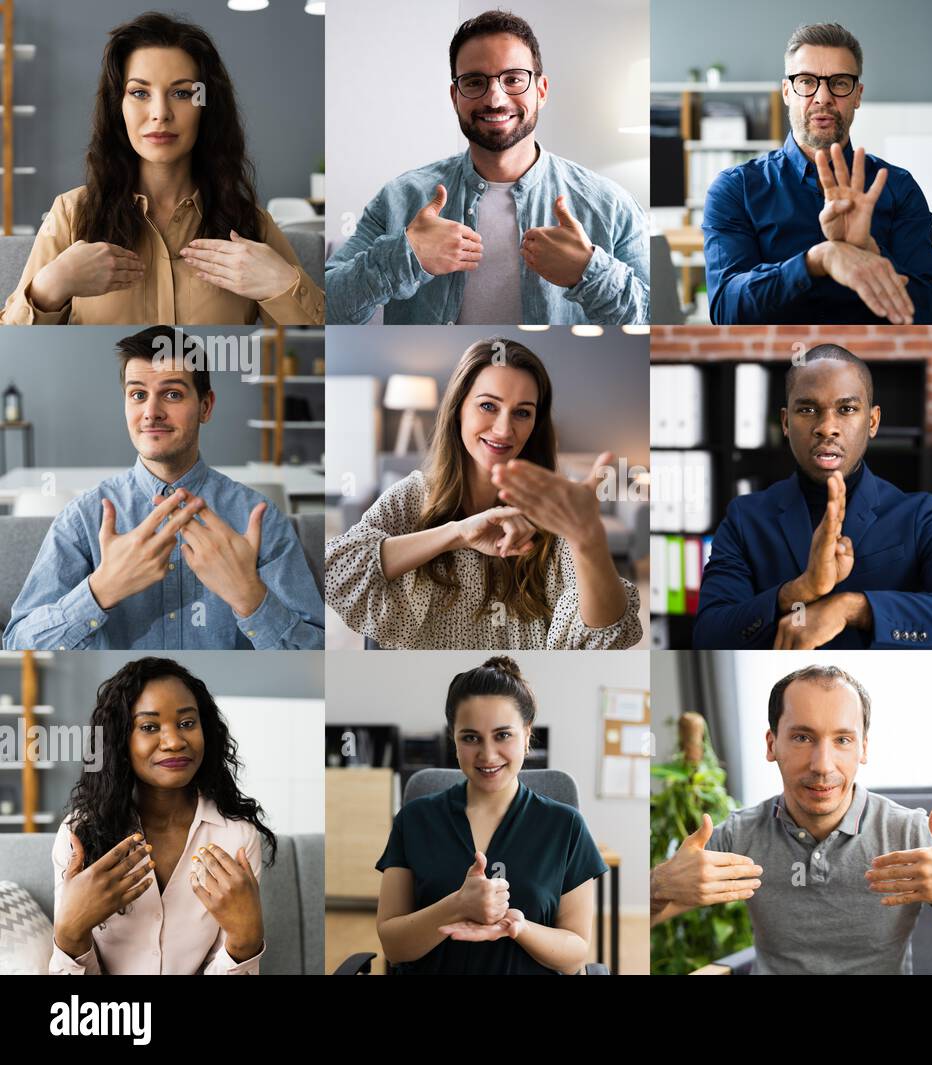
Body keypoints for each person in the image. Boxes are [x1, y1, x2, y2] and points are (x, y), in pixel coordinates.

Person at [2, 326, 325, 650]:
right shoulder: (82, 518)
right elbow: (17, 643)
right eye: (138, 395)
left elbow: (316, 652)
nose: (151, 412)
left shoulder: (260, 518)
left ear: (205, 406)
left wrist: (250, 598)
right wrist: (100, 590)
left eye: (172, 394)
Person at [326, 9, 648, 326]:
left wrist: (589, 272)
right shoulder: (399, 198)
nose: (495, 98)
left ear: (541, 90)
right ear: (455, 97)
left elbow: (652, 320)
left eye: (513, 79)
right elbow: (325, 307)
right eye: (475, 81)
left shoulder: (612, 206)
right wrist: (405, 257)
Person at [1, 12, 323, 326]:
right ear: (119, 107)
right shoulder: (71, 215)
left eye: (182, 93)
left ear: (207, 108)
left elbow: (315, 351)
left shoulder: (252, 224)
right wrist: (51, 287)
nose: (160, 113)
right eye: (140, 93)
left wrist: (282, 283)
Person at [651, 664, 932, 975]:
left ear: (863, 747)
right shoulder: (740, 834)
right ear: (771, 744)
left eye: (842, 740)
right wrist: (658, 884)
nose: (822, 765)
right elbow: (643, 915)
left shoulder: (908, 834)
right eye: (803, 738)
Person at [325, 337, 641, 649]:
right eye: (488, 406)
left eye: (522, 413)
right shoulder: (410, 497)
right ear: (458, 408)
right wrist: (457, 534)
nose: (504, 430)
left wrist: (589, 540)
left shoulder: (552, 512)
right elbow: (336, 573)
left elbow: (609, 636)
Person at [693, 344, 932, 649]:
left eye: (847, 409)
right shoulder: (745, 518)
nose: (827, 428)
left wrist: (852, 609)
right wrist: (799, 591)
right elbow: (708, 635)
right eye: (808, 410)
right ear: (786, 422)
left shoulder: (917, 514)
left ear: (873, 422)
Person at [374, 656, 607, 974]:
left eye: (503, 735)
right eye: (470, 738)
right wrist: (456, 906)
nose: (487, 754)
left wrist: (518, 928)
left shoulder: (565, 827)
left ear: (527, 736)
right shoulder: (414, 820)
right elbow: (394, 946)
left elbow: (575, 955)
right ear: (453, 740)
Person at [702, 22, 932, 325]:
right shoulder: (736, 189)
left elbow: (930, 313)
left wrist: (871, 252)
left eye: (840, 83)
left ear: (858, 94)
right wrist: (817, 260)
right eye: (806, 81)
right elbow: (726, 310)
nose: (823, 97)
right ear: (787, 92)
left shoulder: (899, 187)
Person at [50, 657, 276, 975]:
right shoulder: (79, 836)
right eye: (149, 727)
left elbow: (235, 956)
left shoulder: (236, 837)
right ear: (120, 741)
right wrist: (70, 935)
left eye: (186, 723)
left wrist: (245, 942)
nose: (174, 742)